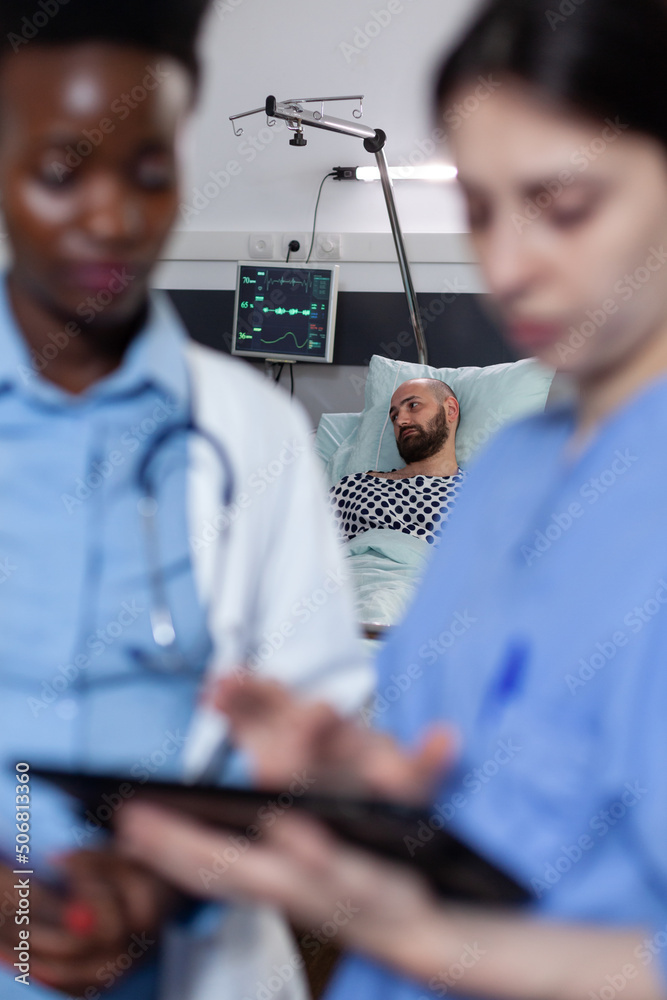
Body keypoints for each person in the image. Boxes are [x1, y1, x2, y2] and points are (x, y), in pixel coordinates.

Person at [116, 0, 667, 998]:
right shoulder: (509, 474)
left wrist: (422, 940)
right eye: (482, 210)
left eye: (564, 203)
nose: (506, 264)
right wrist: (348, 768)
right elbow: (471, 781)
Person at [0, 2, 371, 998]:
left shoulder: (254, 434)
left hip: (191, 958)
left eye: (150, 172)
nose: (113, 215)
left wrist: (165, 881)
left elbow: (316, 723)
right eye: (61, 171)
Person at [330, 379, 465, 546]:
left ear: (450, 410)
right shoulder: (352, 486)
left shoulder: (477, 494)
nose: (400, 421)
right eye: (394, 416)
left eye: (413, 405)